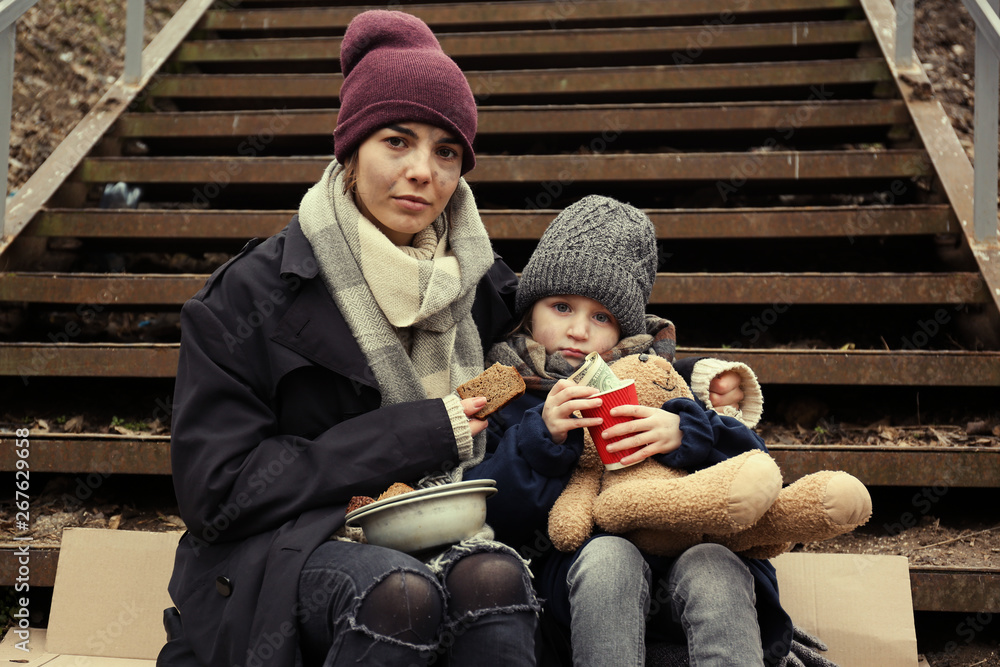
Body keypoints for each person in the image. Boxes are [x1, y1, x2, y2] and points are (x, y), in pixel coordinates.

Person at [158, 10, 540, 667]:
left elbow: (579, 335)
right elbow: (216, 492)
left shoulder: (480, 283)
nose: (424, 170)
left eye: (447, 151)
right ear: (352, 146)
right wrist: (418, 431)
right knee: (400, 590)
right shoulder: (252, 296)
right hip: (283, 551)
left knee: (495, 578)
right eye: (397, 141)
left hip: (447, 532)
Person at [463, 195, 792, 666]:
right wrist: (541, 441)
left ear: (624, 331)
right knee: (609, 556)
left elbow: (754, 473)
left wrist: (687, 434)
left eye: (602, 317)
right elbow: (488, 513)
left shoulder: (657, 375)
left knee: (715, 565)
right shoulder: (503, 391)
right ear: (531, 309)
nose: (579, 330)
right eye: (561, 306)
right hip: (580, 582)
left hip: (687, 562)